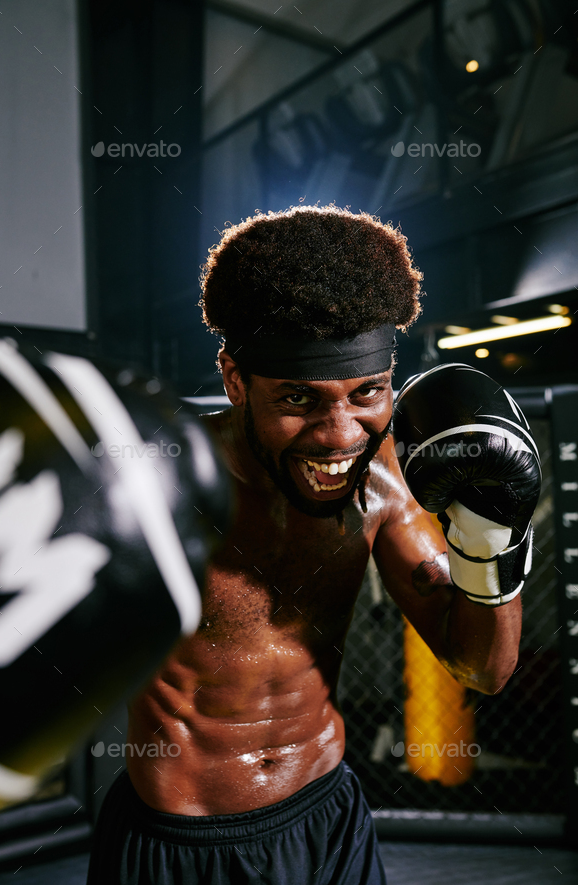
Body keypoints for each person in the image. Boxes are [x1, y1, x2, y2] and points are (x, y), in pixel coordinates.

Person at [87, 205, 537, 884]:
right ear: (236, 379)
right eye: (299, 398)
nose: (339, 435)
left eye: (367, 393)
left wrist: (491, 537)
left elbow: (484, 667)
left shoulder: (383, 480)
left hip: (326, 823)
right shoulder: (159, 485)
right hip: (179, 843)